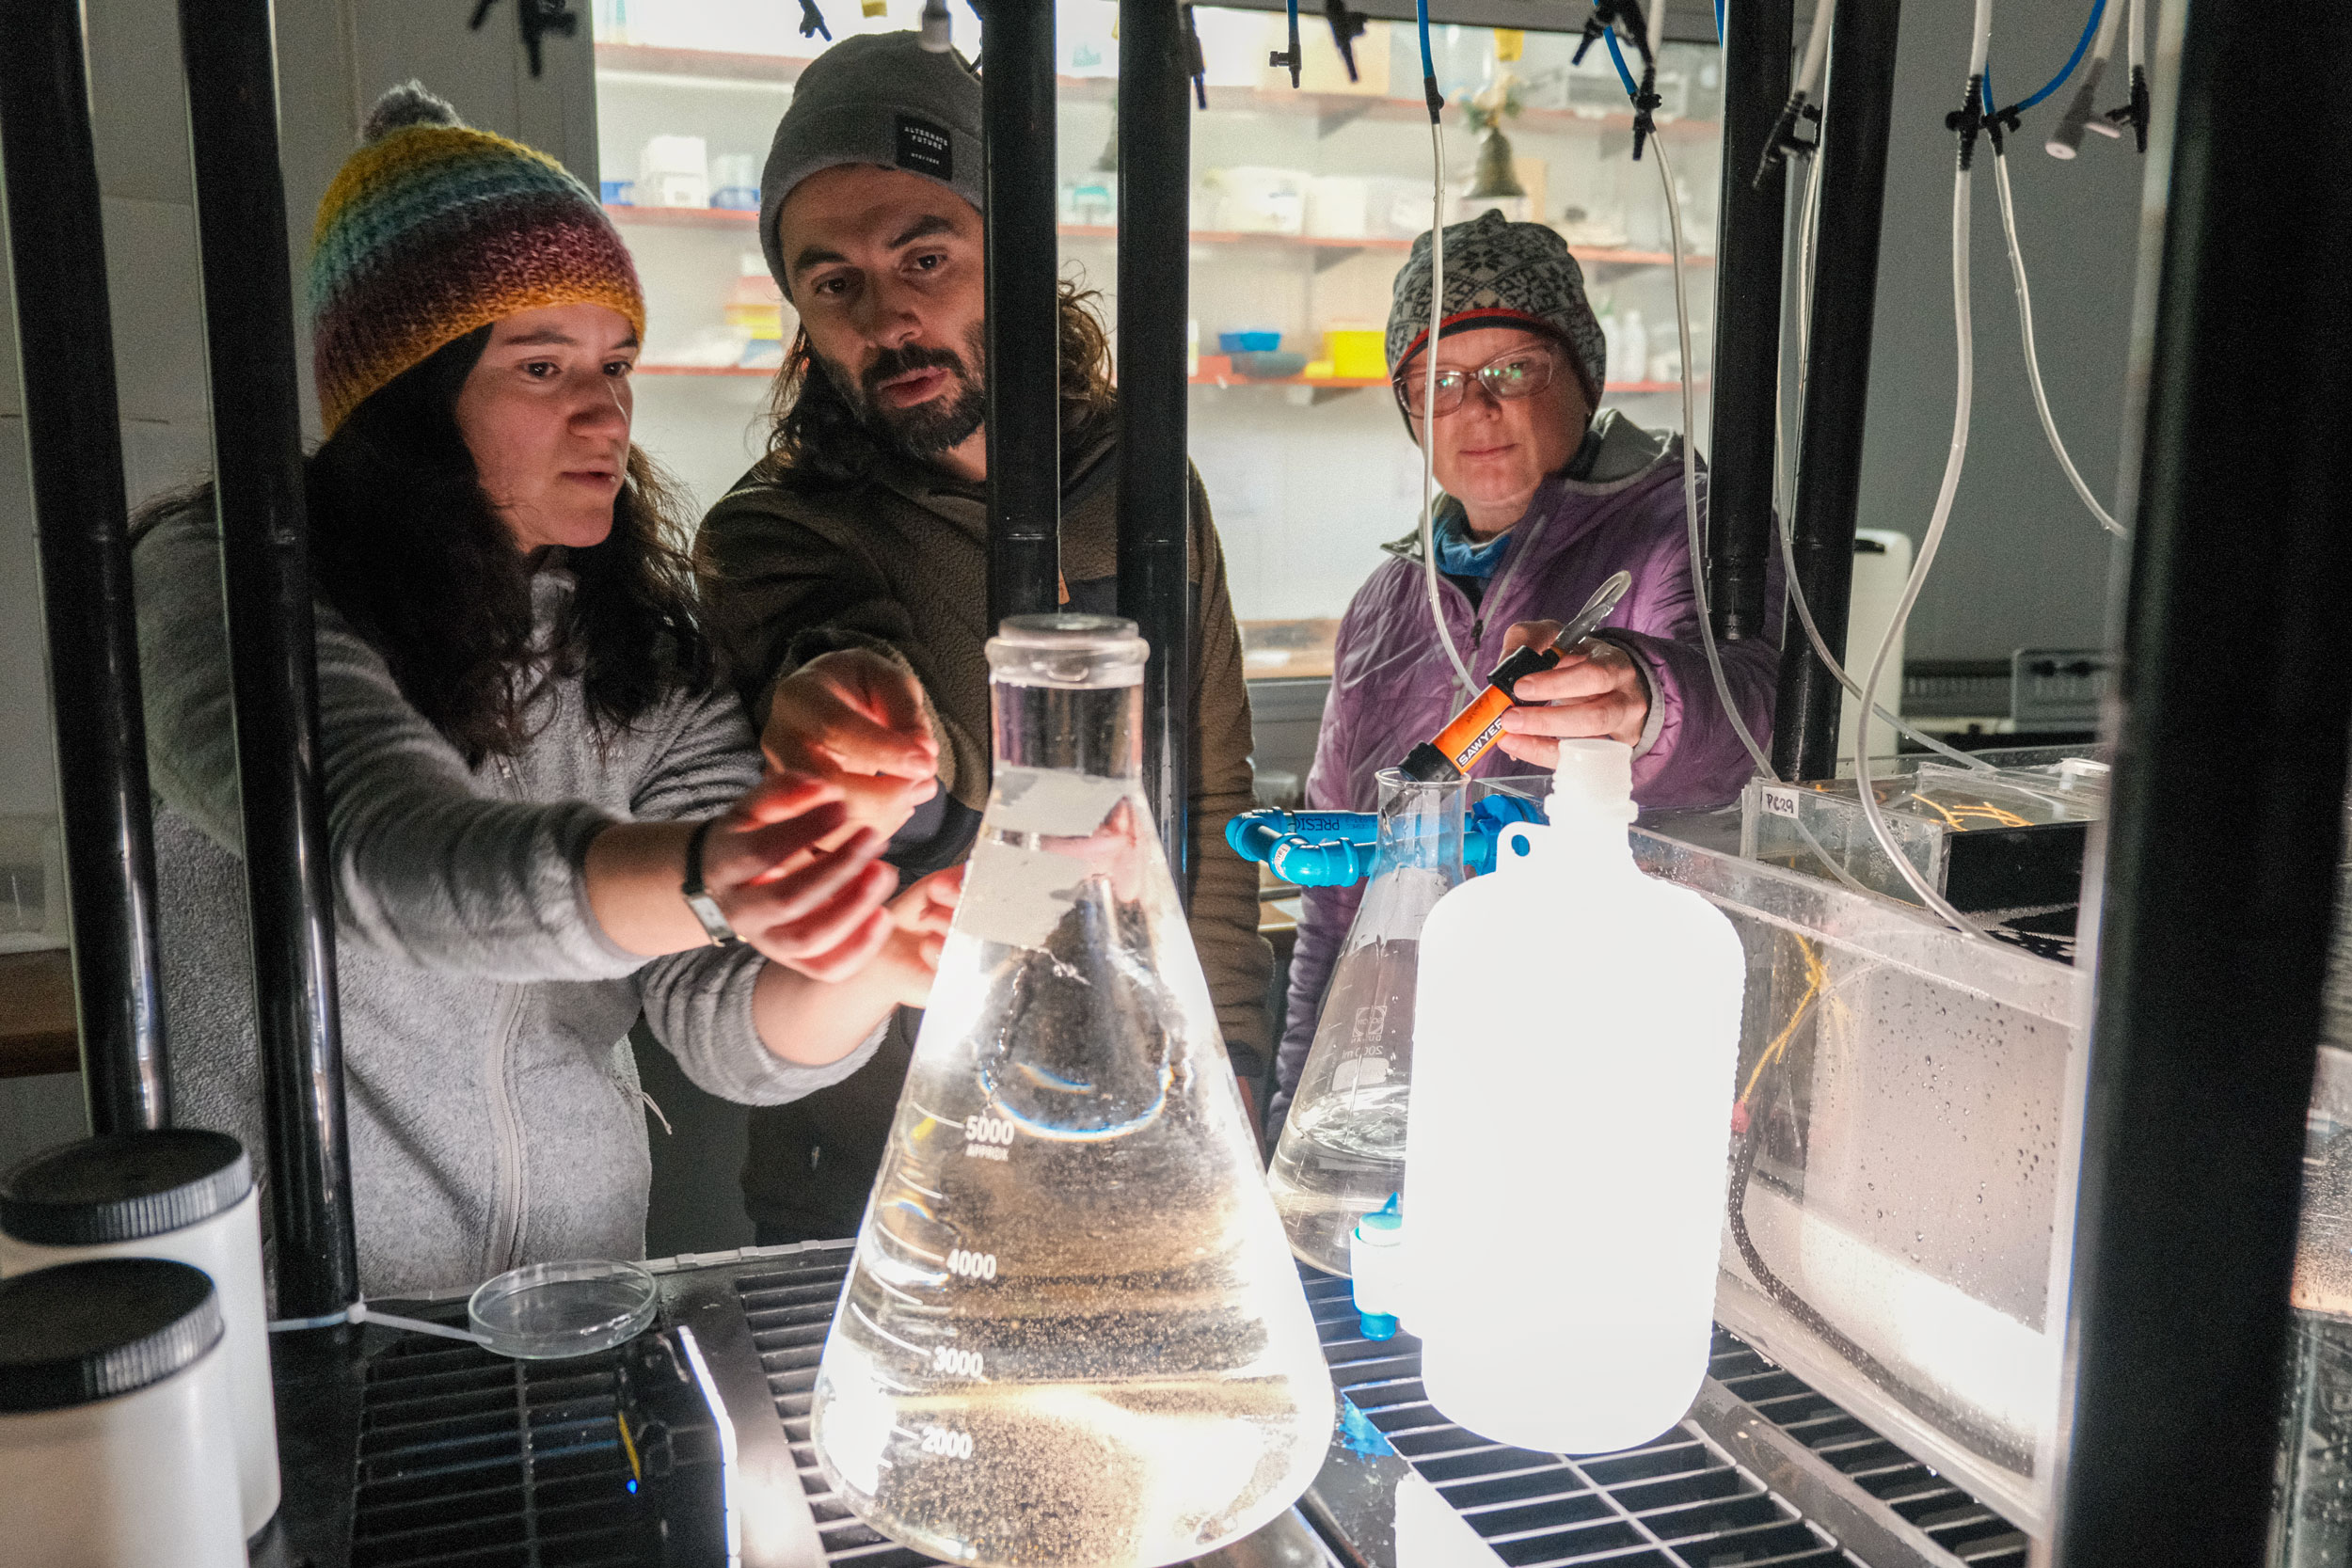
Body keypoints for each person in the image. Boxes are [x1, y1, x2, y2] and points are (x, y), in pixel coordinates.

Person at [134, 85, 955, 1298]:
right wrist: (704, 868)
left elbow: (723, 1025)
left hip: (572, 1303)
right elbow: (383, 855)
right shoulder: (225, 588)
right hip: (291, 1322)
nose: (604, 410)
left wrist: (862, 957)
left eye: (615, 361)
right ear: (403, 396)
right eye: (539, 364)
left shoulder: (641, 654)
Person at [694, 32, 1272, 1243]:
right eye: (833, 282)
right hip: (877, 1176)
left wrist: (1225, 1100)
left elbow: (1208, 812)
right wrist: (860, 711)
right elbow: (844, 676)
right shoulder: (773, 530)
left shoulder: (1142, 485)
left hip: (1134, 1141)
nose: (889, 316)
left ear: (1008, 252)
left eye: (924, 254)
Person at [1273, 209, 1782, 1122]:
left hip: (1601, 1071)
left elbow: (1753, 731)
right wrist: (1296, 1108)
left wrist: (1644, 701)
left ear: (1583, 377)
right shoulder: (1386, 602)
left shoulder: (1685, 528)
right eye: (1440, 378)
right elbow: (1330, 909)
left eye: (1514, 368)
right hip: (1412, 1075)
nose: (1478, 404)